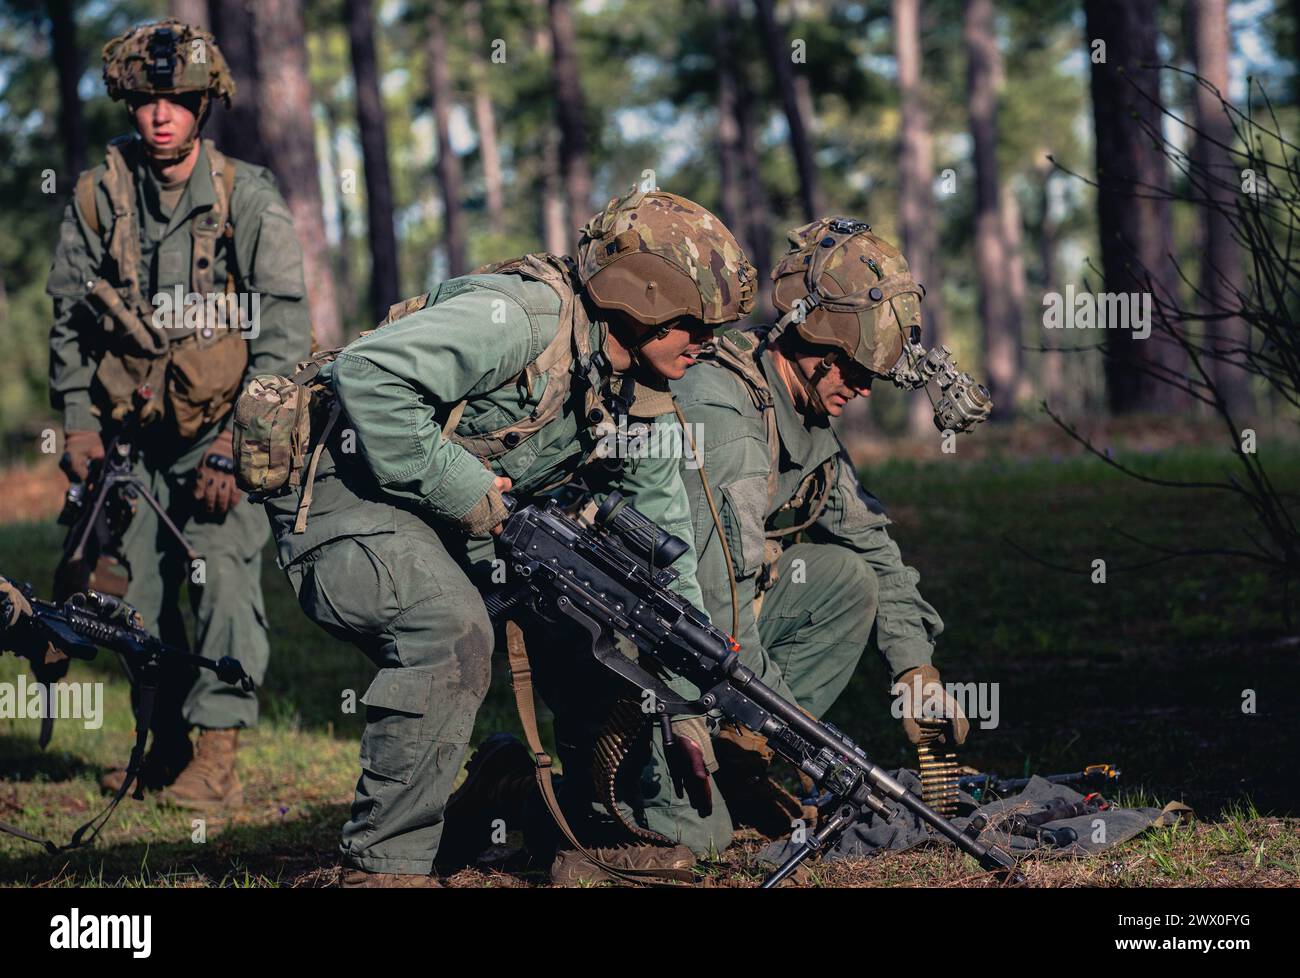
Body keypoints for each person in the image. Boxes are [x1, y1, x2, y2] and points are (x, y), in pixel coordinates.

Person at [257, 188, 756, 886]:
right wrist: (466, 490)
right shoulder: (523, 317)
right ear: (642, 299)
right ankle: (384, 868)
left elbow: (663, 544)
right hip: (345, 487)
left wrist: (686, 699)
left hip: (450, 508)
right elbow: (366, 376)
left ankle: (561, 815)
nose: (709, 345)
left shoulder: (639, 393)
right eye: (696, 325)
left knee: (598, 619)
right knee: (450, 628)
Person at [45, 19, 312, 810]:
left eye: (179, 99)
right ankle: (158, 745)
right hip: (130, 440)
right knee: (133, 596)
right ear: (128, 103)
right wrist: (77, 424)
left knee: (222, 575)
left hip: (222, 433)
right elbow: (66, 318)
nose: (162, 114)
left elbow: (286, 335)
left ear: (203, 105)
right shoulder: (99, 195)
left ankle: (218, 755)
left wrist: (239, 442)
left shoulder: (248, 197)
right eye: (147, 99)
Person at [669, 216, 987, 841]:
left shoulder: (803, 411)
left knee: (848, 578)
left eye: (872, 375)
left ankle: (737, 762)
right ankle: (517, 786)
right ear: (806, 341)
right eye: (851, 369)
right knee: (694, 838)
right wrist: (798, 737)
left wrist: (916, 671)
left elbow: (873, 544)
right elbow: (718, 599)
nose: (863, 389)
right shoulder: (726, 414)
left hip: (711, 627)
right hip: (648, 636)